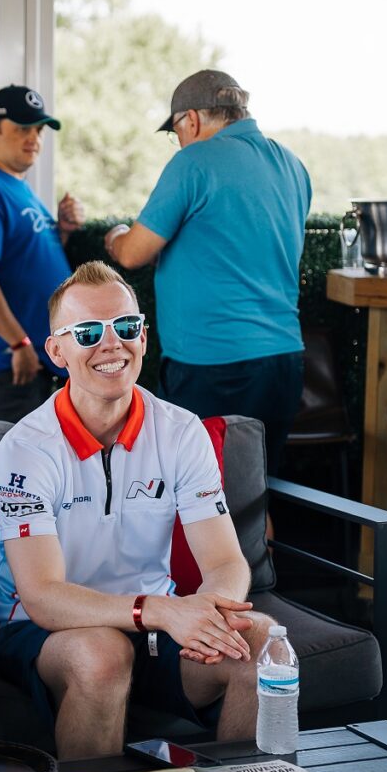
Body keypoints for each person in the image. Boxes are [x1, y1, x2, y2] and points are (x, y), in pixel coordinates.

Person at [0, 261, 278, 759]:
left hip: (156, 628)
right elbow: (41, 597)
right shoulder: (26, 448)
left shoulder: (182, 432)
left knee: (262, 642)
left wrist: (210, 618)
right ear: (56, 351)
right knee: (103, 652)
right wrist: (161, 611)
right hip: (46, 631)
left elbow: (227, 564)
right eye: (87, 332)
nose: (111, 344)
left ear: (143, 337)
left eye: (125, 327)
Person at [103, 70, 311, 474]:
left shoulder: (193, 162)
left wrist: (115, 235)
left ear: (192, 120)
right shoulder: (292, 165)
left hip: (213, 365)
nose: (178, 141)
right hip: (284, 360)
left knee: (197, 493)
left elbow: (132, 254)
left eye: (176, 131)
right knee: (258, 489)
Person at [0, 84, 86, 422]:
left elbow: (28, 265)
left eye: (38, 129)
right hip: (4, 368)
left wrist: (63, 232)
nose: (34, 137)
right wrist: (18, 343)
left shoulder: (20, 188)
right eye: (23, 127)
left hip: (33, 366)